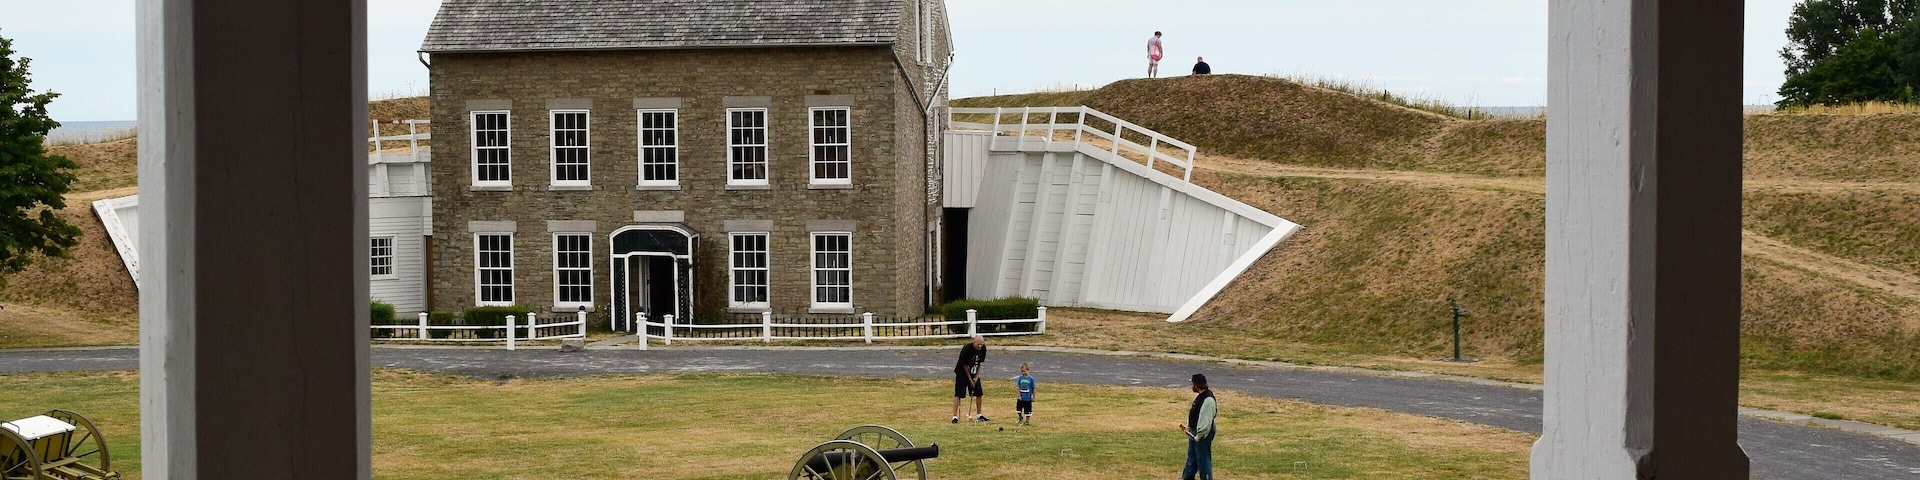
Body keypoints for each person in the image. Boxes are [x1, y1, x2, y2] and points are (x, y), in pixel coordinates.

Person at [1178, 373, 1217, 480]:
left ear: (1196, 385)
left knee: (1203, 459)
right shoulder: (1201, 397)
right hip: (1195, 431)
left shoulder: (1208, 399)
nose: (1192, 386)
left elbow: (1205, 419)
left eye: (1193, 384)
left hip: (1202, 433)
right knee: (1193, 457)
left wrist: (1200, 435)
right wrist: (1189, 427)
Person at [951, 335, 988, 423]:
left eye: (981, 344)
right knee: (959, 394)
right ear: (974, 342)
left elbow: (979, 364)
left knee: (979, 393)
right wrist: (970, 379)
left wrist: (976, 377)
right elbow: (965, 365)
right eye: (978, 344)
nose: (980, 346)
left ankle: (979, 415)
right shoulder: (967, 348)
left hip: (974, 372)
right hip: (962, 373)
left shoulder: (983, 349)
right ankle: (955, 416)